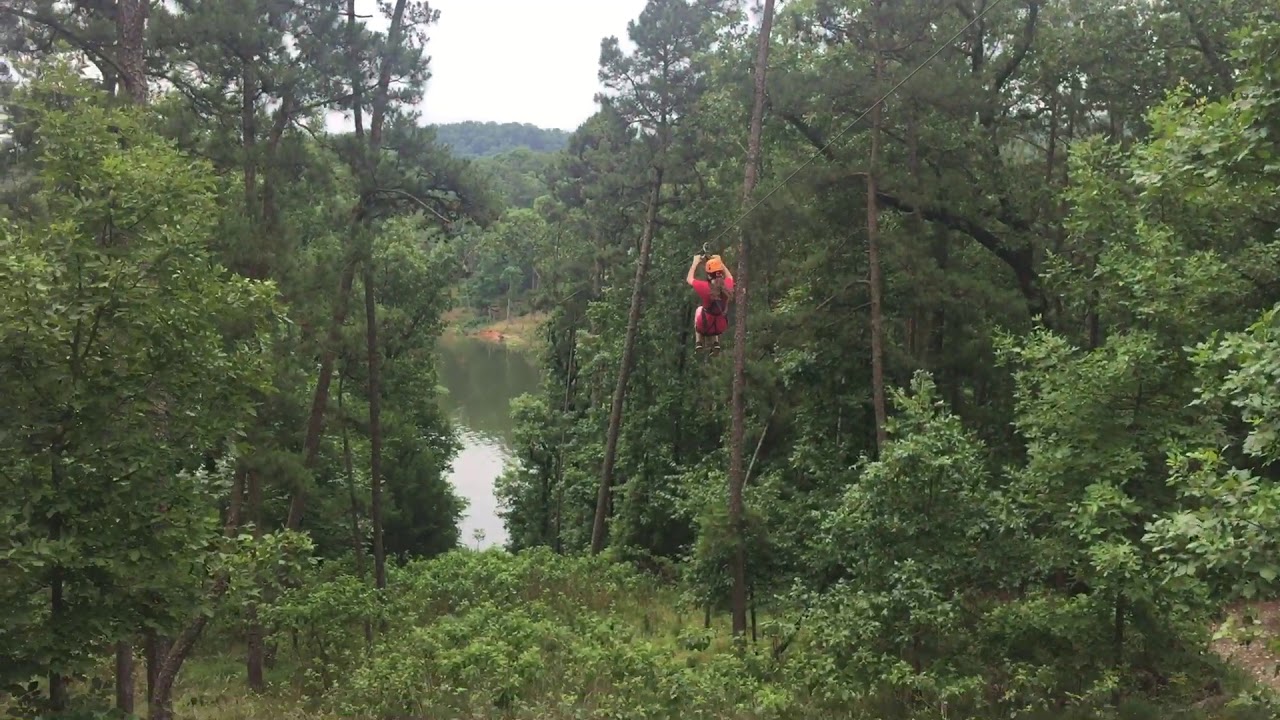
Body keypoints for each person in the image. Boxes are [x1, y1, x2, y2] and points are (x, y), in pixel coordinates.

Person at [686, 253, 735, 353]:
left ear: (708, 274)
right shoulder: (727, 286)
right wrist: (720, 263)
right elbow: (730, 276)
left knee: (699, 310)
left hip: (704, 325)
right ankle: (715, 343)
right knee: (716, 314)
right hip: (721, 325)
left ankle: (699, 342)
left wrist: (695, 263)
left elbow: (689, 279)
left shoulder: (705, 287)